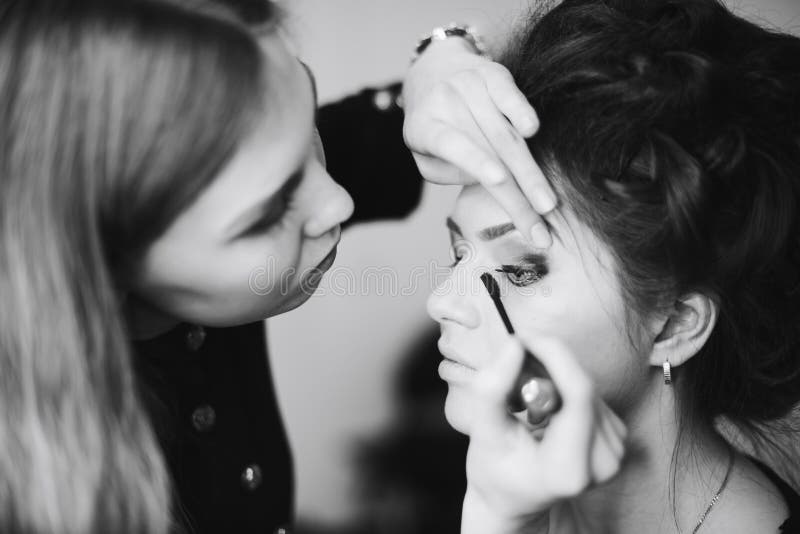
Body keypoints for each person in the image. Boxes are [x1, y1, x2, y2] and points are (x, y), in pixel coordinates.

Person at [0, 0, 557, 532]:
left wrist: (446, 52)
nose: (337, 200)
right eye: (268, 214)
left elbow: (425, 114)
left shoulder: (252, 164)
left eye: (309, 123)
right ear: (104, 267)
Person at [424, 0, 800, 532]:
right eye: (458, 253)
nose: (441, 302)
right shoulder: (493, 485)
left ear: (673, 324)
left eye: (520, 270)